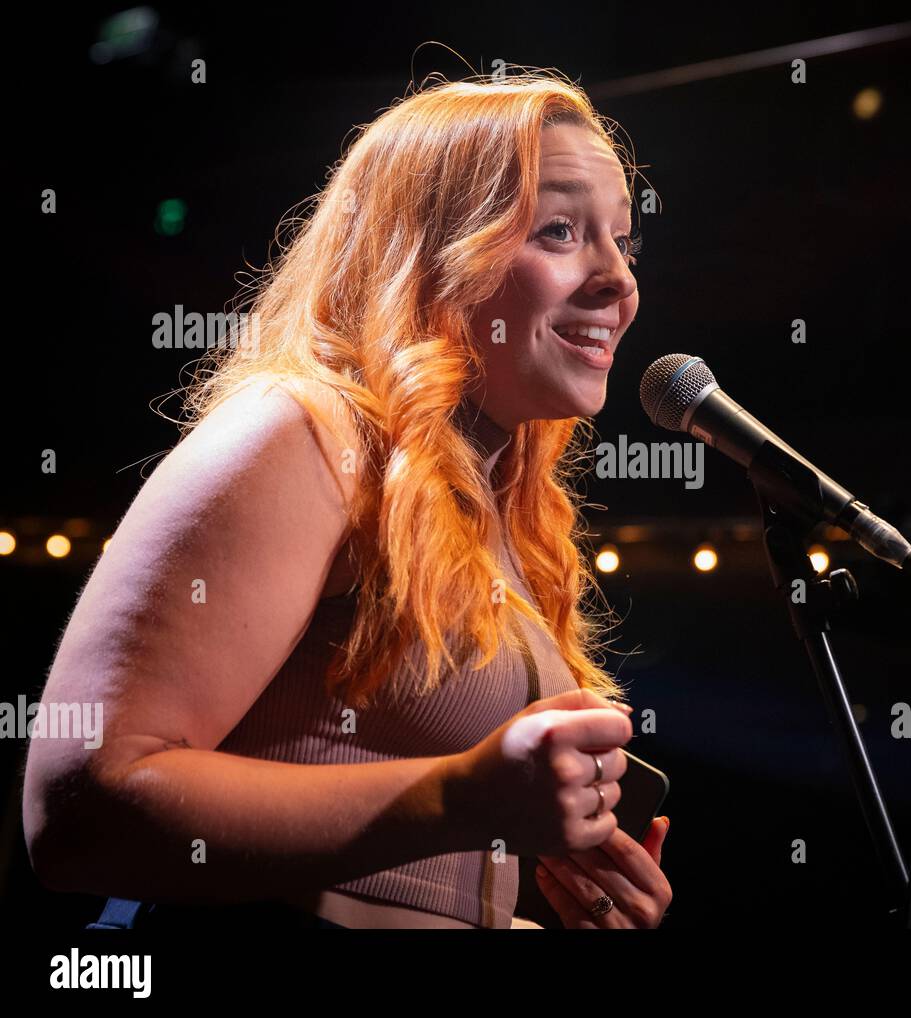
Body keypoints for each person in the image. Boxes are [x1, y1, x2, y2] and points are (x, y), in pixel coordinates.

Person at [21, 68, 672, 929]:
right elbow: (79, 809)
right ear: (434, 252)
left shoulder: (496, 508)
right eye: (559, 231)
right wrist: (459, 799)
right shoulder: (302, 432)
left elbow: (393, 888)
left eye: (622, 241)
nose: (617, 280)